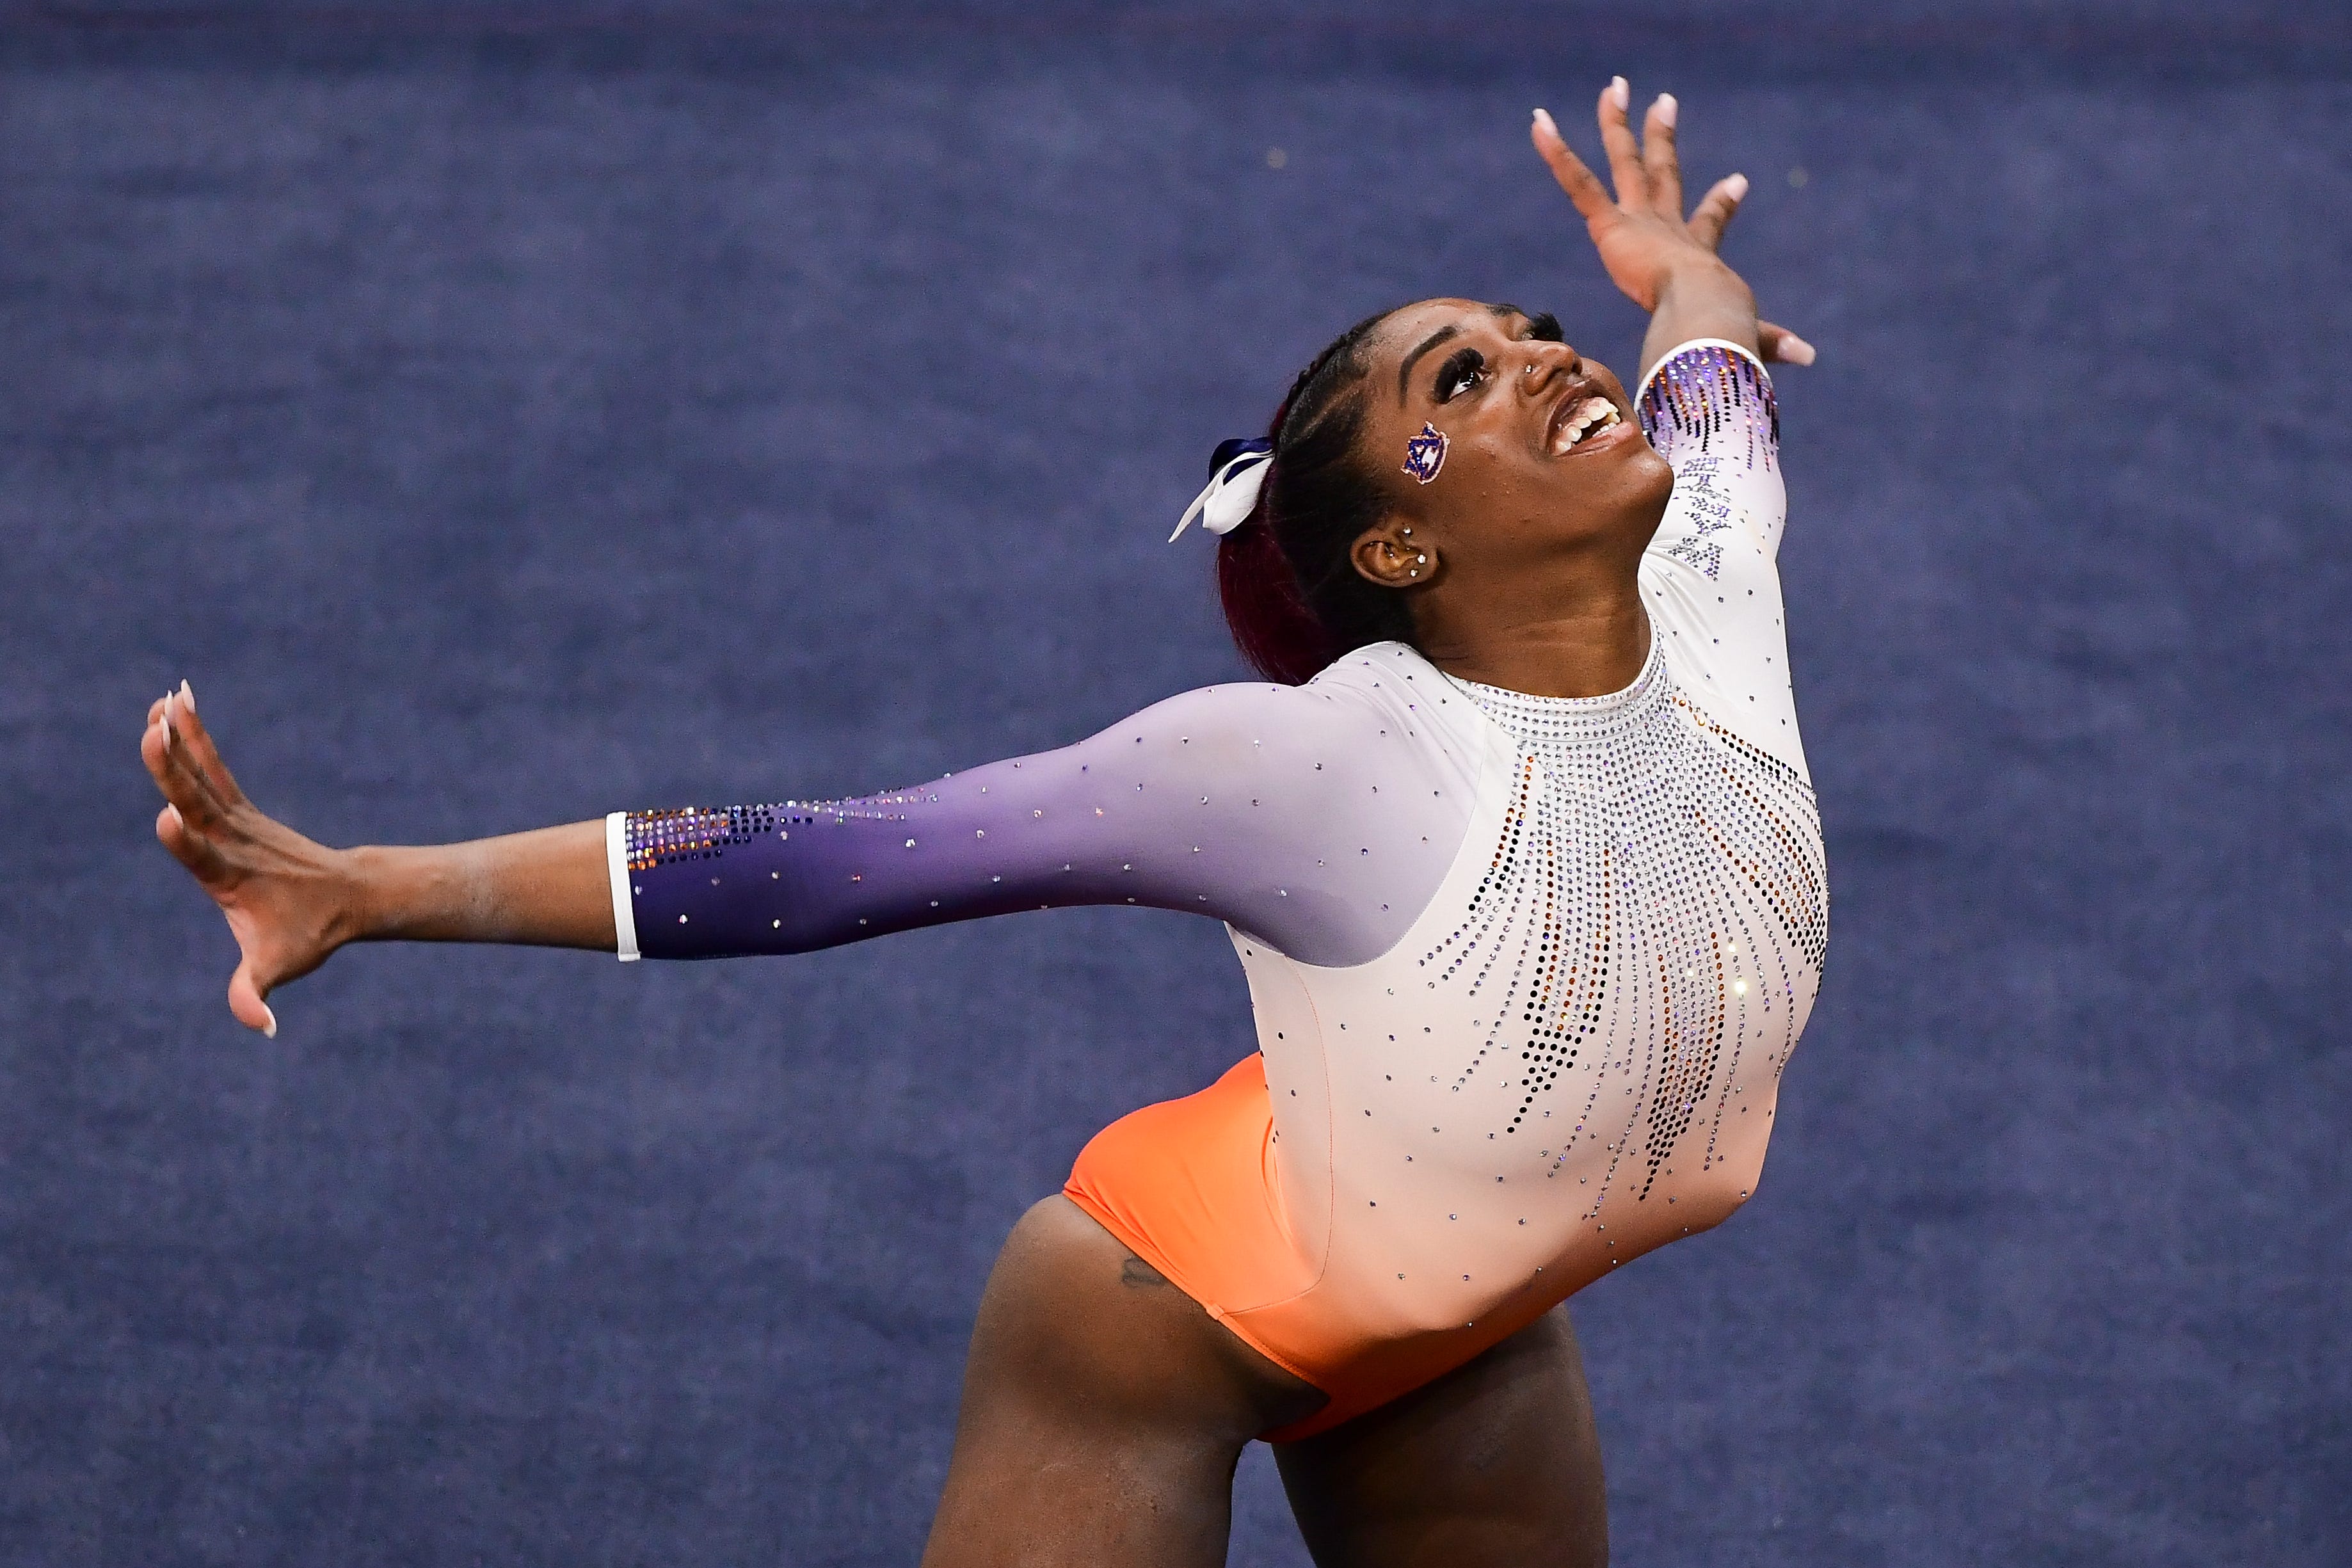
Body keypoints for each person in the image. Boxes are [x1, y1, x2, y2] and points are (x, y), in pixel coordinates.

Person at [141, 79, 1825, 1568]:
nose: (1542, 354)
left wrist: (1656, 249)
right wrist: (368, 887)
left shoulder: (1714, 541)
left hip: (1468, 1318)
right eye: (1464, 376)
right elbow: (811, 859)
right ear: (1395, 550)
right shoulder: (1332, 777)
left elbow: (1701, 325)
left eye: (1533, 326)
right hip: (1159, 1317)